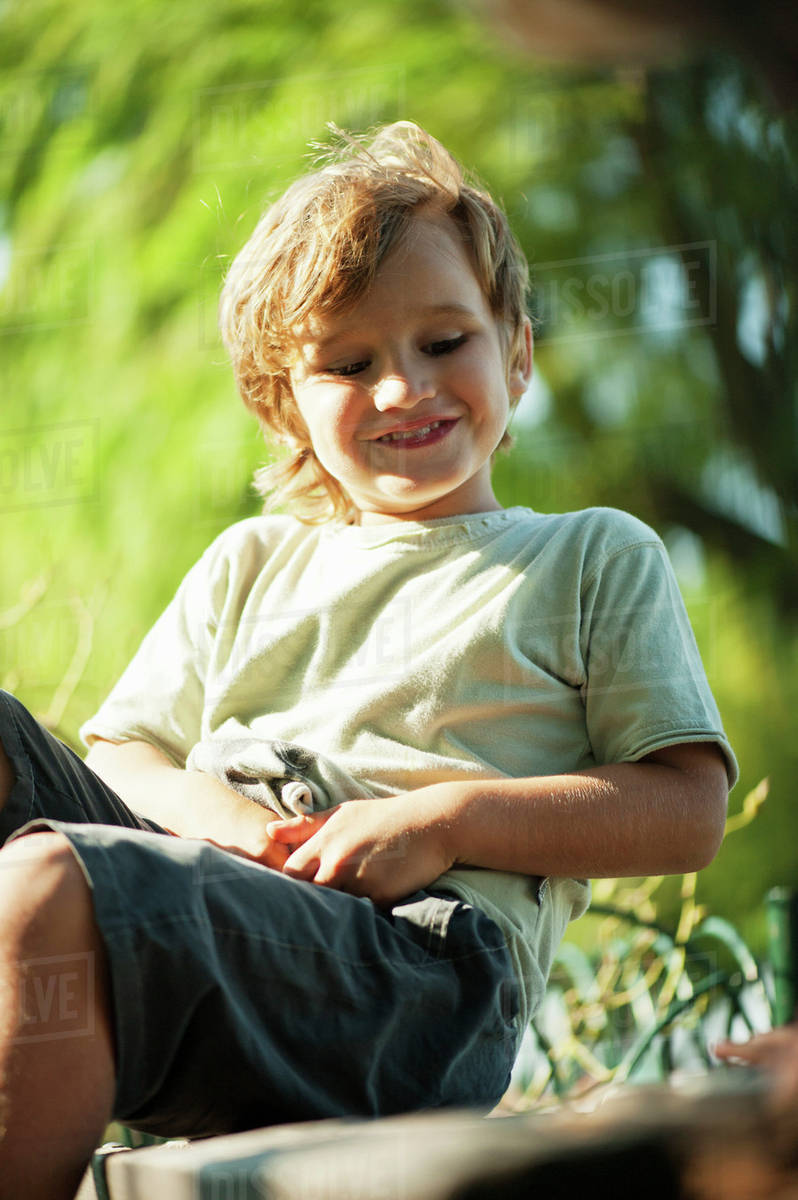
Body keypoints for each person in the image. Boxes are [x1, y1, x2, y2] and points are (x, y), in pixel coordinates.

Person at [0, 121, 736, 1200]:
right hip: (222, 900)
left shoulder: (587, 556)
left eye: (445, 343)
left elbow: (686, 812)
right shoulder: (249, 562)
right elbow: (126, 755)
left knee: (46, 880)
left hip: (418, 979)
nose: (402, 390)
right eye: (349, 364)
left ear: (517, 351)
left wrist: (444, 822)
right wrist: (239, 832)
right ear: (278, 403)